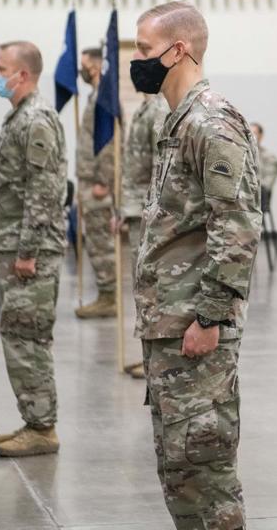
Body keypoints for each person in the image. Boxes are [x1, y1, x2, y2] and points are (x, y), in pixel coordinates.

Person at [132, 2, 260, 530]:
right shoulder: (177, 120)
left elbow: (237, 226)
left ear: (177, 49)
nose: (137, 61)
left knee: (206, 474)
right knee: (180, 471)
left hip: (193, 325)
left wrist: (210, 318)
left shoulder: (211, 121)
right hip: (168, 322)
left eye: (143, 50)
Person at [0, 41, 68, 458]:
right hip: (15, 246)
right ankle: (35, 419)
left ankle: (41, 427)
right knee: (19, 336)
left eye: (2, 69)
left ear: (23, 75)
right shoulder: (18, 116)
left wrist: (27, 251)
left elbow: (43, 190)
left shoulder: (36, 119)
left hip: (30, 253)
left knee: (27, 338)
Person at [120, 92, 169, 380]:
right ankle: (148, 355)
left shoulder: (159, 110)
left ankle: (156, 359)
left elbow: (159, 171)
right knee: (142, 291)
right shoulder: (144, 108)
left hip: (148, 216)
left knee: (153, 291)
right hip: (136, 211)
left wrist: (151, 215)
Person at [75, 46, 119, 319]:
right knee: (94, 239)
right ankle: (104, 292)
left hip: (97, 183)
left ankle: (109, 295)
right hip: (87, 180)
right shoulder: (95, 97)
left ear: (93, 66)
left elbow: (108, 142)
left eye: (83, 64)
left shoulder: (103, 98)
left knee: (101, 241)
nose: (79, 69)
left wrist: (104, 179)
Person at [250, 122, 277, 201]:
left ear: (261, 136)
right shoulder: (241, 154)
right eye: (249, 133)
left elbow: (267, 183)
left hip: (258, 200)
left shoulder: (269, 157)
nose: (252, 136)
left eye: (255, 133)